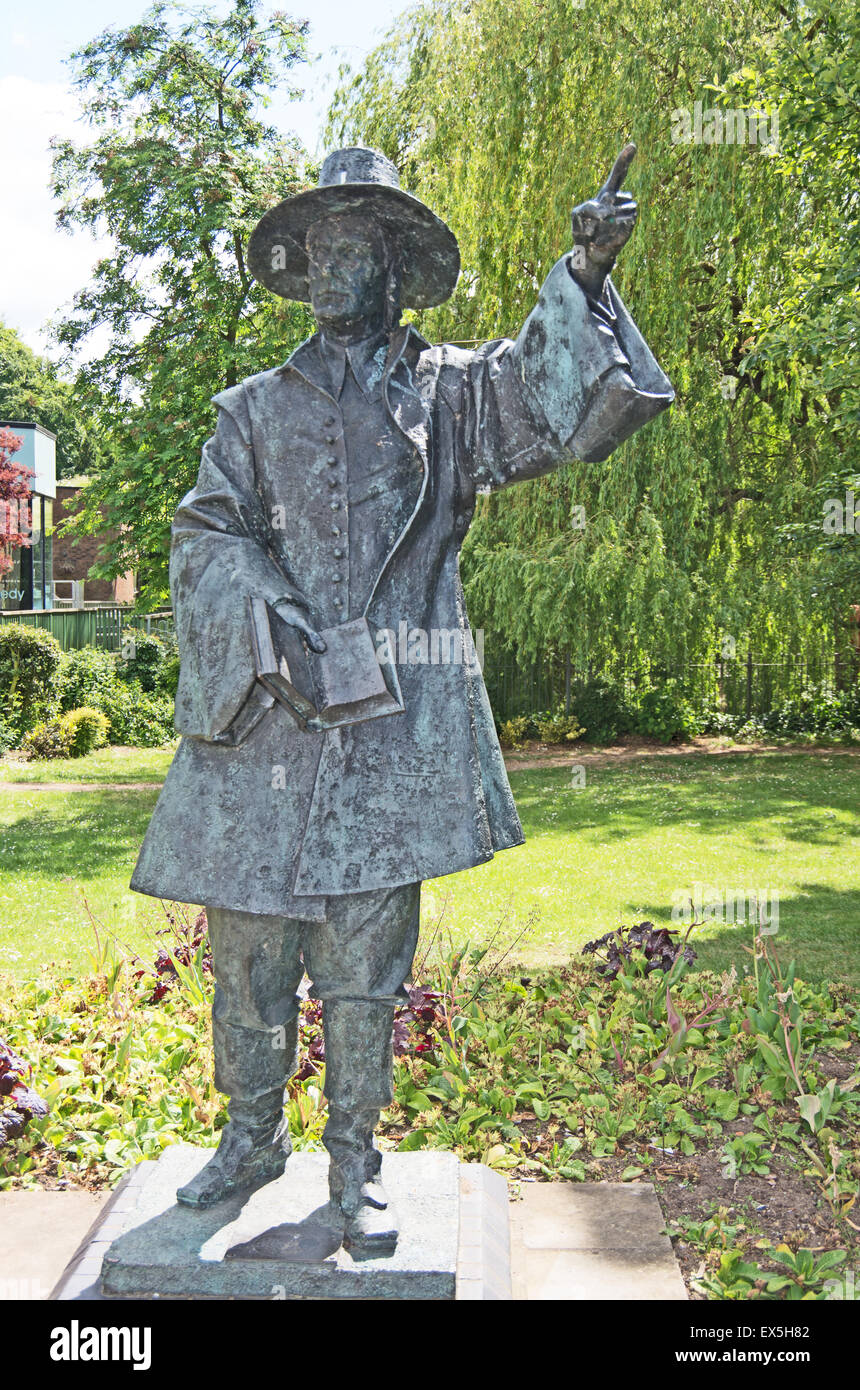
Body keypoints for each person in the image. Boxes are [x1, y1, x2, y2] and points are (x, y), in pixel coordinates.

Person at [131, 144, 673, 1252]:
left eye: (350, 254)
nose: (328, 272)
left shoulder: (453, 396)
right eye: (315, 254)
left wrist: (580, 270)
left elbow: (557, 399)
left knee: (364, 970)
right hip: (262, 730)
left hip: (391, 733)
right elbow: (205, 532)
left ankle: (354, 1159)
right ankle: (248, 1138)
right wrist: (270, 617)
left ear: (392, 269)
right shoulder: (249, 411)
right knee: (247, 960)